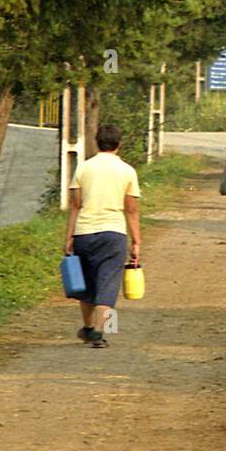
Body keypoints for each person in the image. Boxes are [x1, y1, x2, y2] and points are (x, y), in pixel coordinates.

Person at [63, 124, 141, 348]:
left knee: (86, 283)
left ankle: (88, 328)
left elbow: (75, 205)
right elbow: (132, 210)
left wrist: (69, 237)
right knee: (107, 284)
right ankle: (98, 331)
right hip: (113, 233)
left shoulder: (84, 168)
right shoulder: (127, 171)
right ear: (119, 145)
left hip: (84, 232)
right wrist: (136, 241)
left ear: (97, 142)